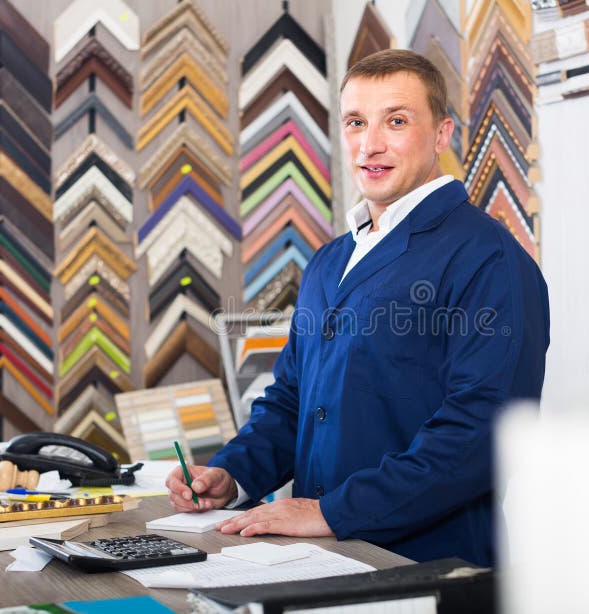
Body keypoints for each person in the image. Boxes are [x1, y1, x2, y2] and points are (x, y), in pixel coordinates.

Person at [166, 49, 550, 566]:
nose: (370, 145)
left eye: (396, 121)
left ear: (441, 134)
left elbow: (483, 435)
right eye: (355, 122)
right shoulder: (328, 262)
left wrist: (331, 512)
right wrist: (233, 474)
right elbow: (291, 402)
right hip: (316, 560)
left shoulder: (489, 259)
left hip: (431, 569)